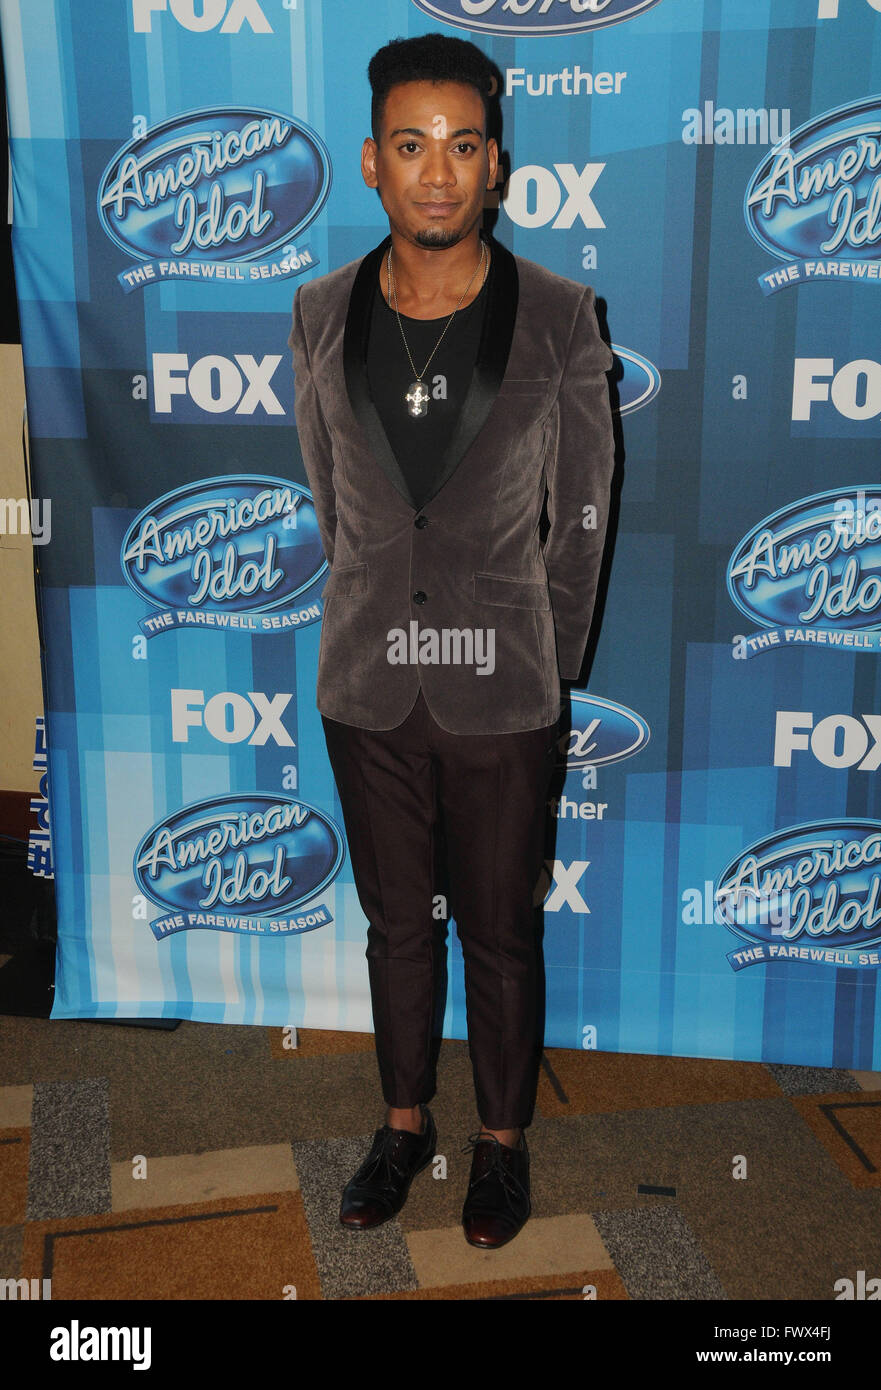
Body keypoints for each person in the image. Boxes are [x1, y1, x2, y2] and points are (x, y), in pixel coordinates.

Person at [288, 32, 614, 1249]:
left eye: (462, 146)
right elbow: (335, 496)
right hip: (365, 680)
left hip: (503, 694)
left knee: (499, 928)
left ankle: (500, 1144)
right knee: (391, 927)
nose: (437, 172)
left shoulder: (561, 317)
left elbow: (583, 510)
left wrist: (545, 659)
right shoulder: (318, 314)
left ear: (498, 167)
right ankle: (404, 1121)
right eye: (411, 146)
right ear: (372, 163)